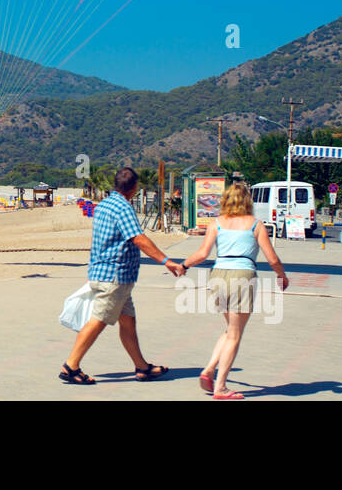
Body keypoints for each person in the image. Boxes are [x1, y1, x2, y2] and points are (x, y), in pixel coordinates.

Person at [60, 167, 185, 385]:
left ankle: (142, 367)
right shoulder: (123, 208)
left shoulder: (104, 205)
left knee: (128, 323)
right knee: (98, 321)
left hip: (108, 273)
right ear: (134, 188)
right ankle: (71, 366)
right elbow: (138, 238)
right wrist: (167, 261)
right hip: (114, 276)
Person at [181, 183, 288, 399]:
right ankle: (220, 387)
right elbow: (272, 258)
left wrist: (182, 266)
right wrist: (282, 276)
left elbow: (202, 254)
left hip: (218, 275)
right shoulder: (255, 225)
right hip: (242, 276)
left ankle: (210, 369)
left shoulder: (216, 223)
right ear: (248, 201)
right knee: (235, 334)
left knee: (230, 328)